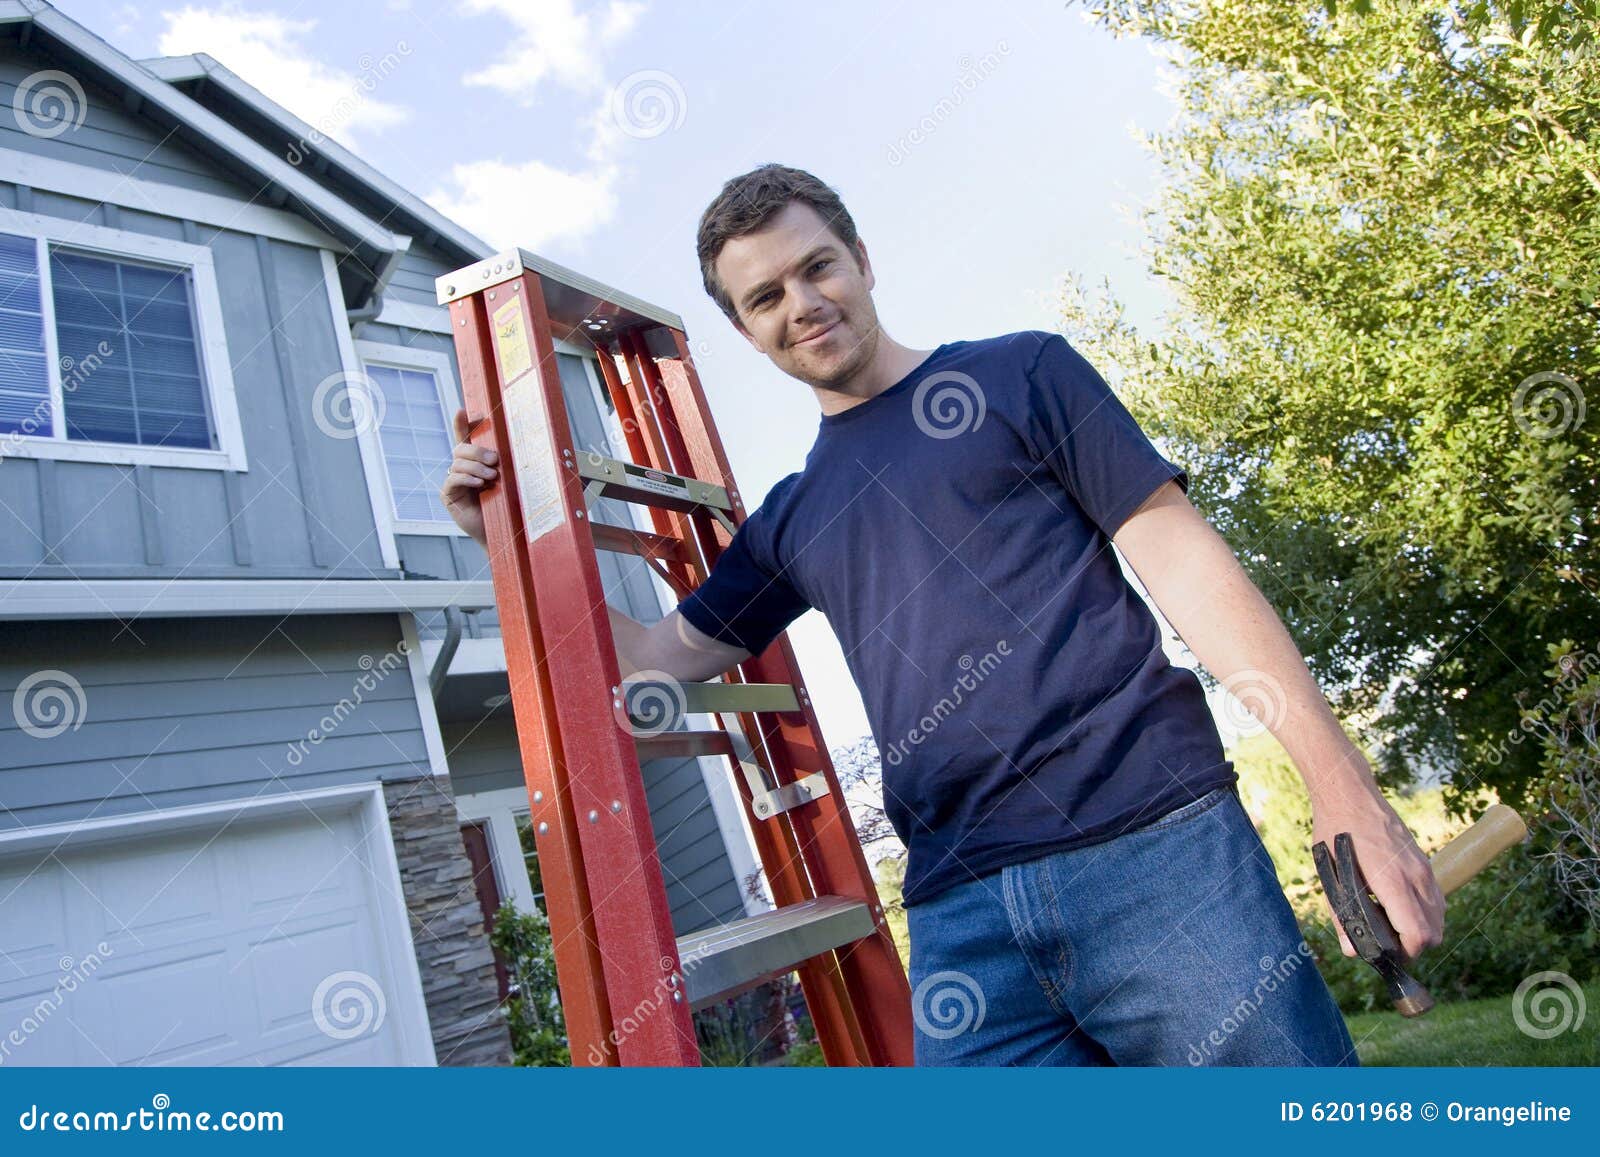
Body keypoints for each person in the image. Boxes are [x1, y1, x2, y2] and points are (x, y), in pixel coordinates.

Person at [441, 163, 1445, 1066]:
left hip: (1156, 851)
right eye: (766, 297)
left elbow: (1185, 562)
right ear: (745, 331)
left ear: (862, 259)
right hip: (963, 920)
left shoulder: (1021, 376)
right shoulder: (791, 518)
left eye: (816, 267)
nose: (803, 303)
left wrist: (1339, 783)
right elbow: (647, 664)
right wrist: (503, 544)